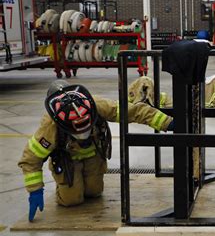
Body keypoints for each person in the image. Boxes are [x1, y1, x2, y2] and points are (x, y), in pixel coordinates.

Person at [19, 80, 174, 222]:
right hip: (68, 161)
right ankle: (66, 188)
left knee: (94, 193)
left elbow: (134, 111)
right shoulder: (51, 125)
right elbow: (31, 159)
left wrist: (168, 123)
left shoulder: (96, 104)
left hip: (93, 154)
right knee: (72, 201)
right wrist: (35, 190)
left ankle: (84, 183)